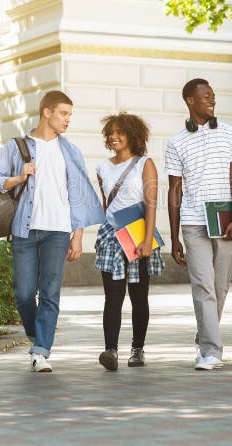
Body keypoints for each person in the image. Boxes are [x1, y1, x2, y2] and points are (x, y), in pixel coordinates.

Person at [0, 90, 104, 372]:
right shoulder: (16, 147)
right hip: (25, 230)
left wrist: (78, 234)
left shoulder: (71, 150)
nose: (68, 120)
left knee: (50, 293)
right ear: (47, 113)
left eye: (70, 115)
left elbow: (78, 195)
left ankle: (40, 352)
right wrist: (20, 176)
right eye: (64, 114)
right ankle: (36, 336)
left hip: (58, 231)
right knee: (24, 294)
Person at [165, 78, 232, 371]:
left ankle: (203, 338)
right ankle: (212, 350)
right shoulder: (175, 141)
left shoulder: (230, 133)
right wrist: (174, 237)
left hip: (224, 218)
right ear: (190, 101)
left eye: (213, 96)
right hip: (193, 221)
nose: (212, 100)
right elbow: (174, 190)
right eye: (206, 97)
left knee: (220, 286)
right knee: (203, 285)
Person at [94, 113, 164, 371]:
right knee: (112, 295)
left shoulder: (145, 163)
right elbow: (106, 203)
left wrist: (147, 240)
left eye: (119, 132)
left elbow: (151, 205)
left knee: (138, 295)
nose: (113, 137)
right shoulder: (102, 167)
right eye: (110, 133)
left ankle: (137, 349)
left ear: (133, 135)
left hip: (137, 234)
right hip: (112, 235)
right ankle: (110, 350)